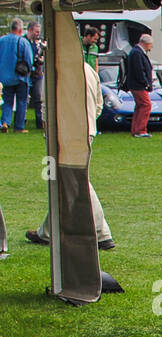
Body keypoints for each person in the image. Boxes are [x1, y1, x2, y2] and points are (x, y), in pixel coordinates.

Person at [27, 60, 114, 250]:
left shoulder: (58, 68)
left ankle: (102, 233)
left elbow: (45, 104)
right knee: (64, 181)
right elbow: (98, 105)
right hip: (86, 130)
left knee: (77, 180)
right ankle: (47, 231)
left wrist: (48, 130)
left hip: (66, 133)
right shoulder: (89, 69)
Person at [0, 18, 34, 134]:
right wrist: (30, 70)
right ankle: (19, 127)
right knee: (21, 101)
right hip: (20, 77)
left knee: (7, 101)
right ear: (20, 29)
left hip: (5, 77)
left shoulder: (2, 41)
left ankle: (5, 122)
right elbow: (29, 60)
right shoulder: (23, 42)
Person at [124, 32, 155, 138]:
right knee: (146, 105)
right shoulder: (137, 53)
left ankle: (135, 130)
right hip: (138, 85)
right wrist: (146, 83)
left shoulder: (135, 52)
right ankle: (140, 130)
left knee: (140, 106)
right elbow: (139, 70)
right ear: (145, 43)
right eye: (150, 45)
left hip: (136, 85)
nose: (150, 48)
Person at [25, 21, 42, 130]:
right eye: (36, 32)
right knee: (24, 99)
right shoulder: (23, 41)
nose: (38, 34)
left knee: (38, 98)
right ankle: (21, 121)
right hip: (26, 74)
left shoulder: (38, 43)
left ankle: (40, 123)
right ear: (30, 30)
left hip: (37, 74)